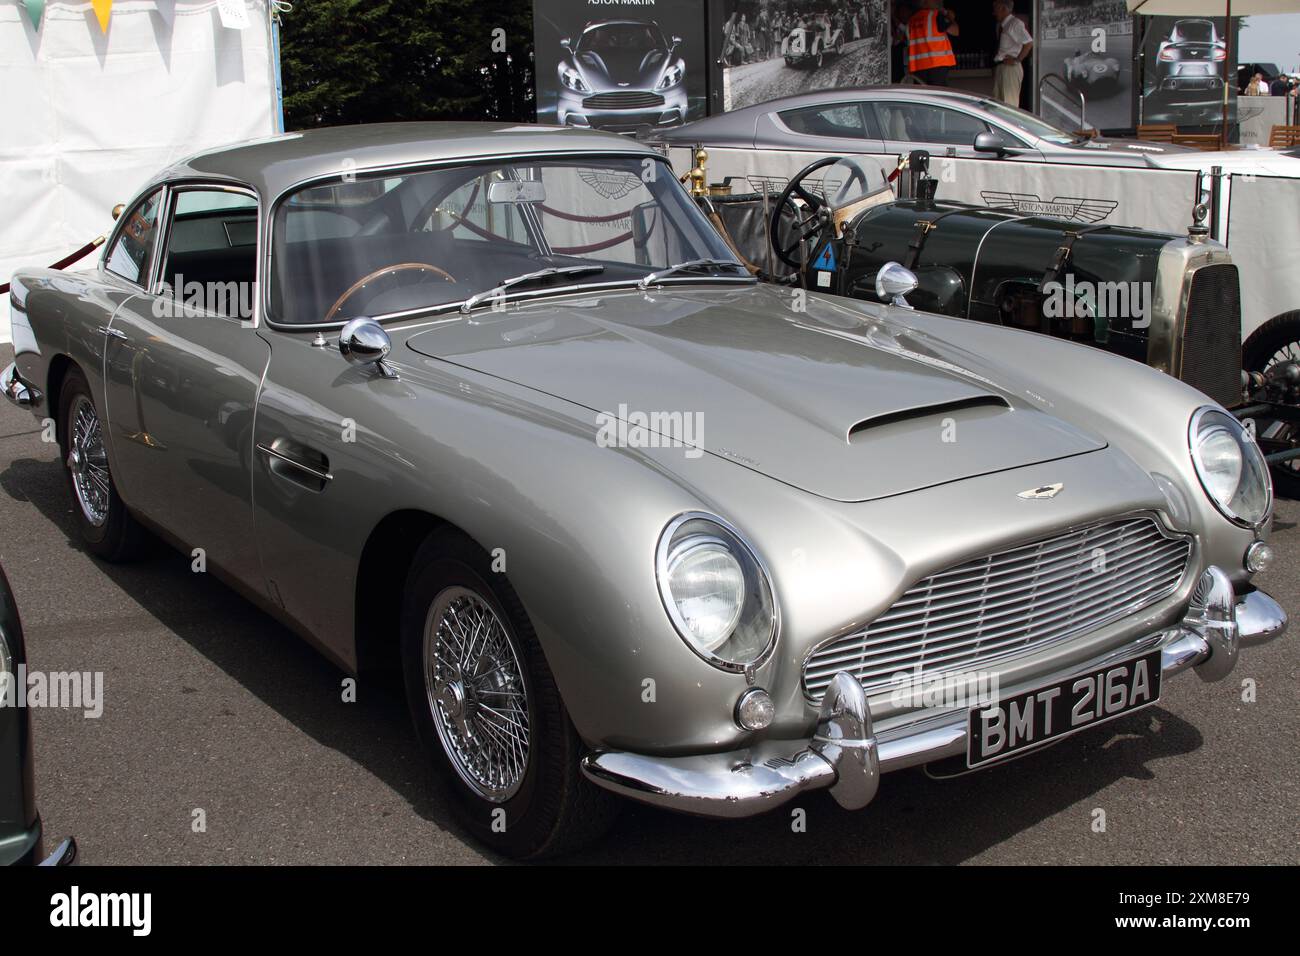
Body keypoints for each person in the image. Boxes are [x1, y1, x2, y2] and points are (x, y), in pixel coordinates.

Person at [907, 0, 958, 86]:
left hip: (918, 66)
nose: (937, 2)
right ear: (925, 2)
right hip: (937, 64)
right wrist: (949, 16)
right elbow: (956, 31)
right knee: (938, 96)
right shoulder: (935, 15)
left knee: (922, 96)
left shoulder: (912, 19)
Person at [992, 1, 1032, 106]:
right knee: (998, 105)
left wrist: (1016, 60)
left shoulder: (1015, 23)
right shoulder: (1004, 25)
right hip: (1002, 67)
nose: (994, 12)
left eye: (996, 8)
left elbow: (1028, 43)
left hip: (1010, 69)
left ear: (1003, 9)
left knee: (1009, 106)